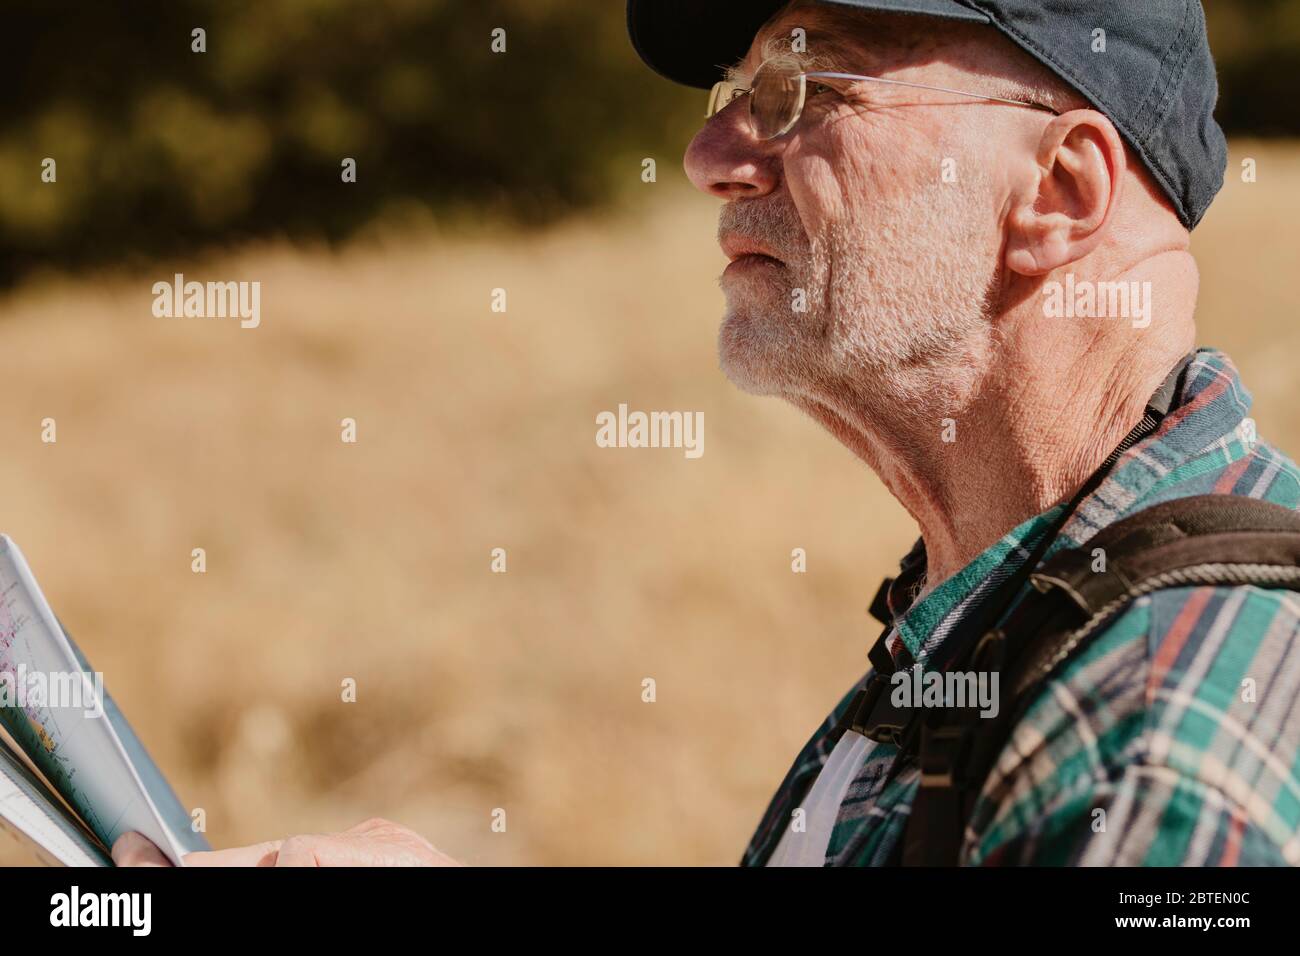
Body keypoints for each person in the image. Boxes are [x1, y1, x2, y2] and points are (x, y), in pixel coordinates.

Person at [116, 0, 1300, 867]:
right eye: (733, 94)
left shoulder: (1148, 754)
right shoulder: (1010, 612)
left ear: (1062, 193)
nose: (709, 155)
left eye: (800, 89)